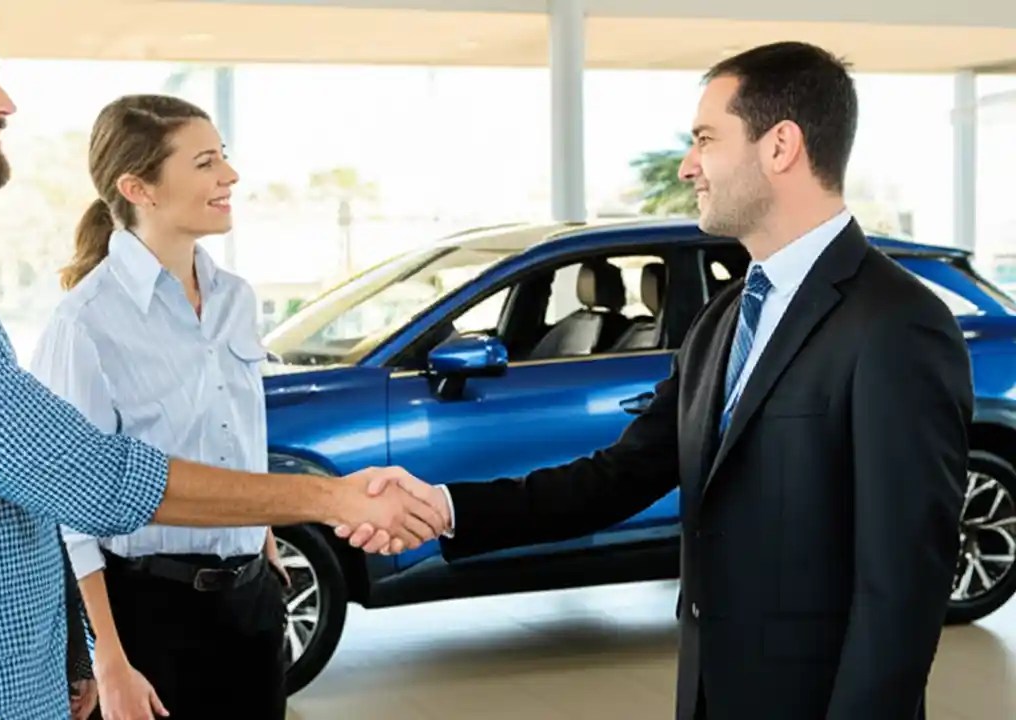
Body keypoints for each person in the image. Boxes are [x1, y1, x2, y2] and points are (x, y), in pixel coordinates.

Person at [0, 3, 445, 719]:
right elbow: (82, 475)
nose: (2, 101)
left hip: (5, 679)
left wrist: (67, 650)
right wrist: (332, 497)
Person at [341, 41, 973, 720]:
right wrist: (444, 508)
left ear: (780, 145)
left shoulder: (899, 324)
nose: (687, 165)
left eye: (705, 138)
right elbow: (619, 476)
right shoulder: (724, 319)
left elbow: (902, 588)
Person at [28, 94, 290, 720]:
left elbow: (237, 434)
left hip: (252, 602)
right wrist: (109, 659)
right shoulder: (87, 322)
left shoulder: (236, 298)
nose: (229, 176)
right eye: (204, 163)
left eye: (223, 158)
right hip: (151, 616)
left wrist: (268, 546)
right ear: (138, 187)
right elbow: (71, 506)